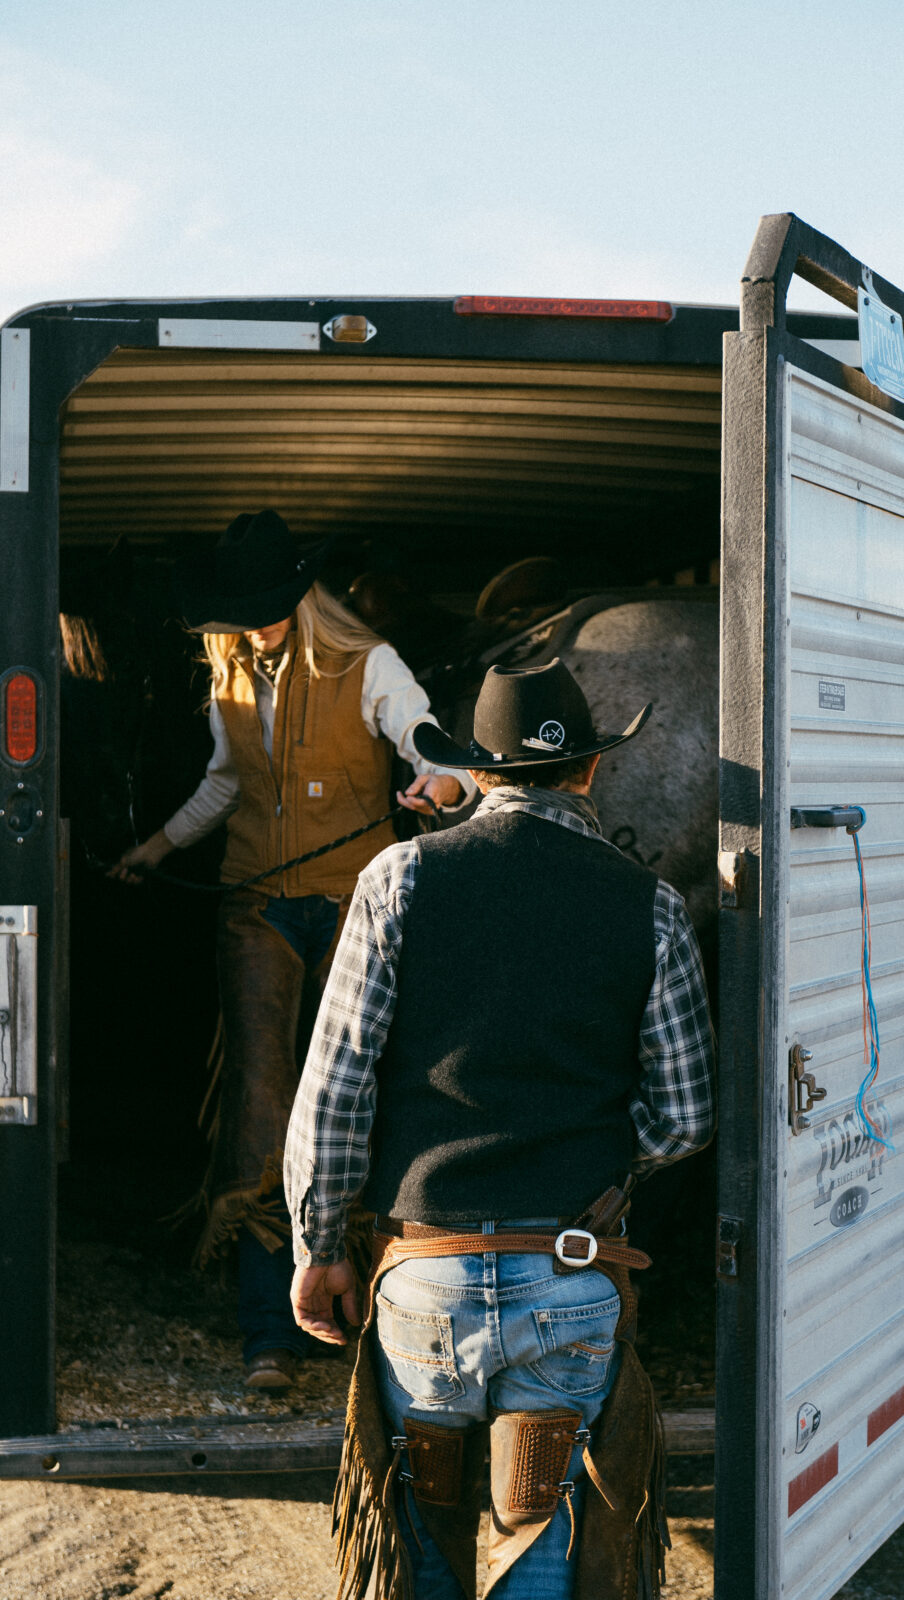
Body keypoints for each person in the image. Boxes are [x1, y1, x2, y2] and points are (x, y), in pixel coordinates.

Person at [284, 658, 715, 1599]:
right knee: (543, 1545)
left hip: (423, 1273)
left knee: (422, 1547)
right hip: (569, 1271)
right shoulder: (648, 904)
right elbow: (684, 1117)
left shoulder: (397, 880)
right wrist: (596, 1158)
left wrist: (319, 1244)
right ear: (589, 771)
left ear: (477, 772)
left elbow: (337, 1089)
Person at [113, 509, 473, 1390]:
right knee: (260, 1104)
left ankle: (374, 1314)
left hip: (355, 904)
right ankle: (267, 1331)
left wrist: (441, 775)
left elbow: (418, 734)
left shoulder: (368, 664)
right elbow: (225, 784)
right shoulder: (233, 675)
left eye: (260, 613)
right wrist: (155, 850)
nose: (246, 631)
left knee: (364, 1095)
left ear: (296, 600)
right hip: (257, 906)